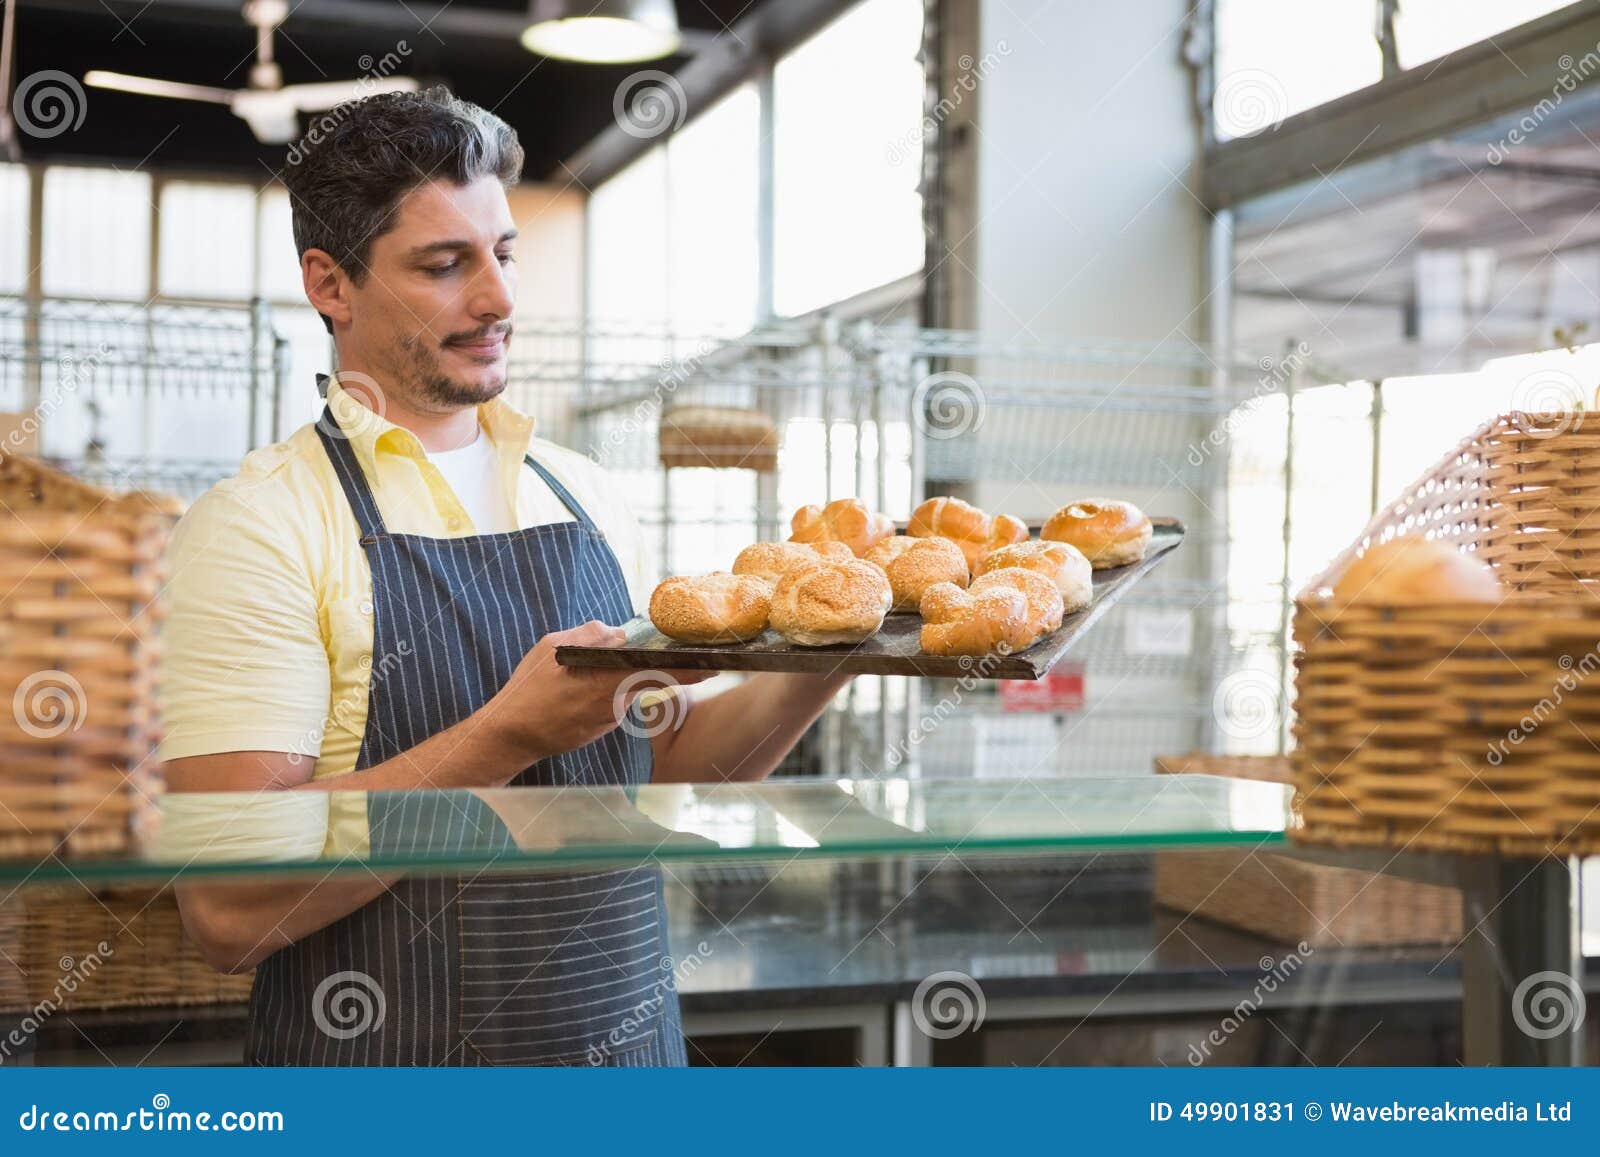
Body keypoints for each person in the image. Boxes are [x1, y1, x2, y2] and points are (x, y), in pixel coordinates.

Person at [160, 86, 853, 1066]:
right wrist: (506, 734)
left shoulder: (584, 492)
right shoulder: (259, 526)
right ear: (331, 284)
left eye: (505, 252)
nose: (498, 299)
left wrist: (843, 650)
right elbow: (229, 905)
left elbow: (672, 770)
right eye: (445, 265)